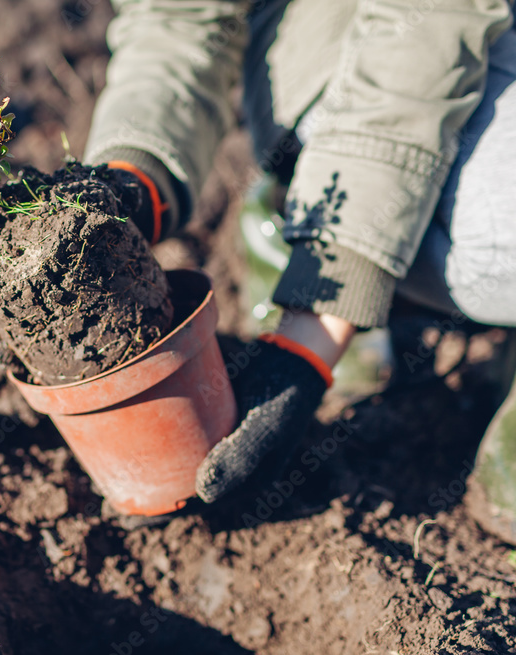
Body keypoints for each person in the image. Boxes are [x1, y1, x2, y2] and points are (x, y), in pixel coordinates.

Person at [83, 0, 516, 542]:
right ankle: (312, 221)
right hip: (344, 45)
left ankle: (350, 260)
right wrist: (131, 181)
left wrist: (312, 332)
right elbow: (174, 16)